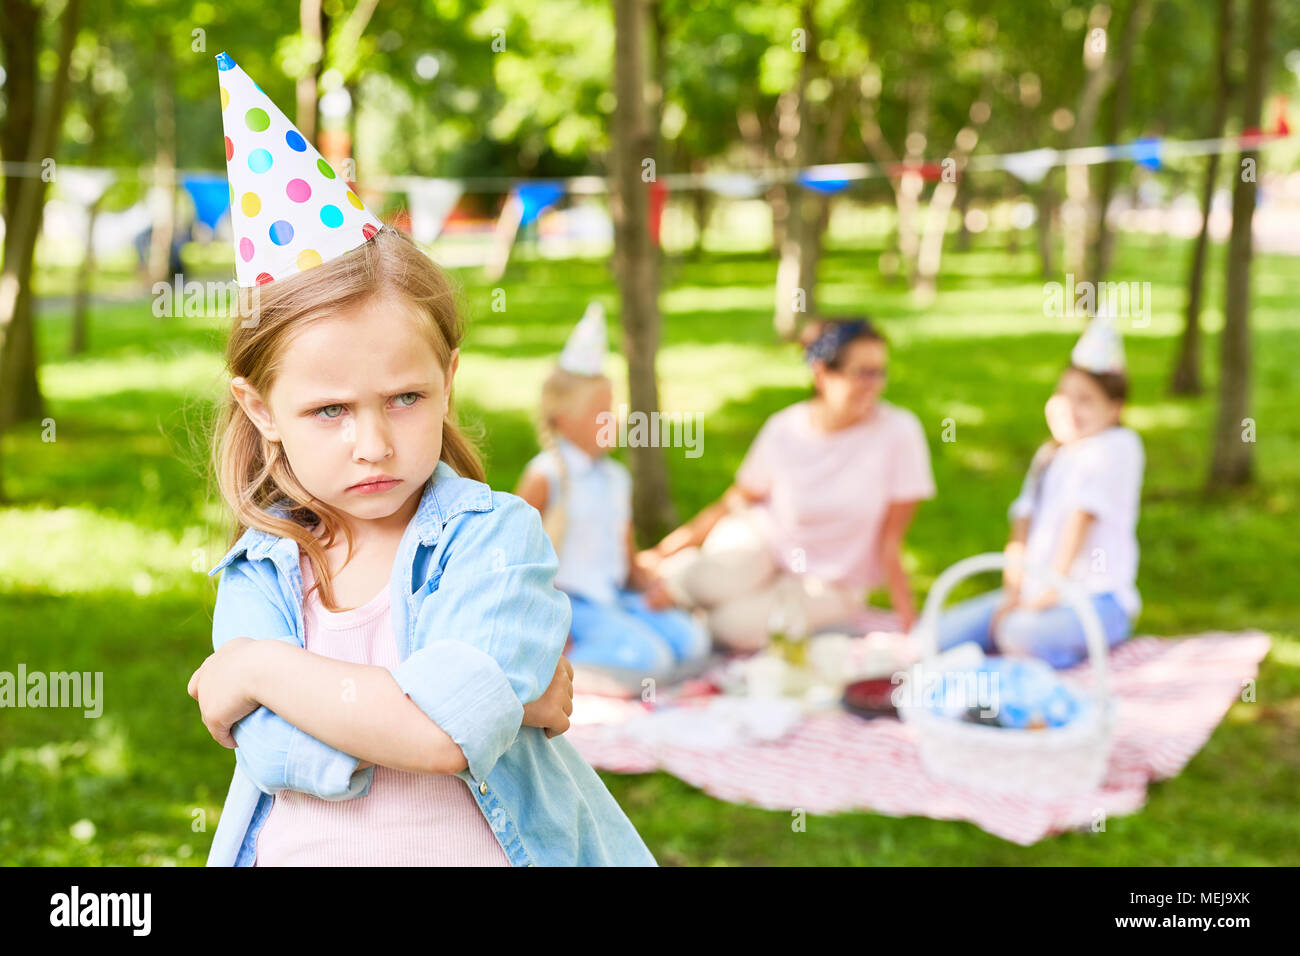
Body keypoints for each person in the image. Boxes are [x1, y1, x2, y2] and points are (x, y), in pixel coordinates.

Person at [186, 51, 655, 867]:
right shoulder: (260, 569)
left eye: (403, 398)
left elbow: (442, 736)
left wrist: (261, 668)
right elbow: (275, 756)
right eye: (328, 410)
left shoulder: (494, 538)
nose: (373, 443)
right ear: (262, 410)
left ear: (446, 381)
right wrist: (488, 706)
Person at [638, 317, 936, 652]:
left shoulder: (899, 433)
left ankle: (684, 615)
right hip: (764, 540)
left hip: (831, 581)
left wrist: (911, 629)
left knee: (731, 626)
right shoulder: (785, 428)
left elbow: (890, 542)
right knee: (706, 580)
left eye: (879, 372)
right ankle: (669, 586)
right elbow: (736, 500)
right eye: (862, 372)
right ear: (822, 373)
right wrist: (665, 550)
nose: (875, 384)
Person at [935, 310, 1144, 669]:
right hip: (1037, 591)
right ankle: (1021, 655)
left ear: (1114, 409)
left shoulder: (1116, 446)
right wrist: (1014, 590)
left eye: (1086, 399)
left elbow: (1080, 521)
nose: (1069, 408)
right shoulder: (1050, 454)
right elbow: (1022, 523)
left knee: (1016, 633)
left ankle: (1046, 660)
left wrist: (1049, 593)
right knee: (935, 636)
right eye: (1063, 395)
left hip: (1097, 599)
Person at [515, 303, 711, 681]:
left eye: (613, 409)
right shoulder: (546, 476)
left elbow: (627, 557)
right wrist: (546, 624)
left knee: (693, 642)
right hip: (570, 607)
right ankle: (550, 664)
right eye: (600, 412)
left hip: (612, 597)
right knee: (652, 661)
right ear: (563, 420)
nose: (614, 420)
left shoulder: (617, 478)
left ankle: (623, 655)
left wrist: (653, 588)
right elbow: (515, 558)